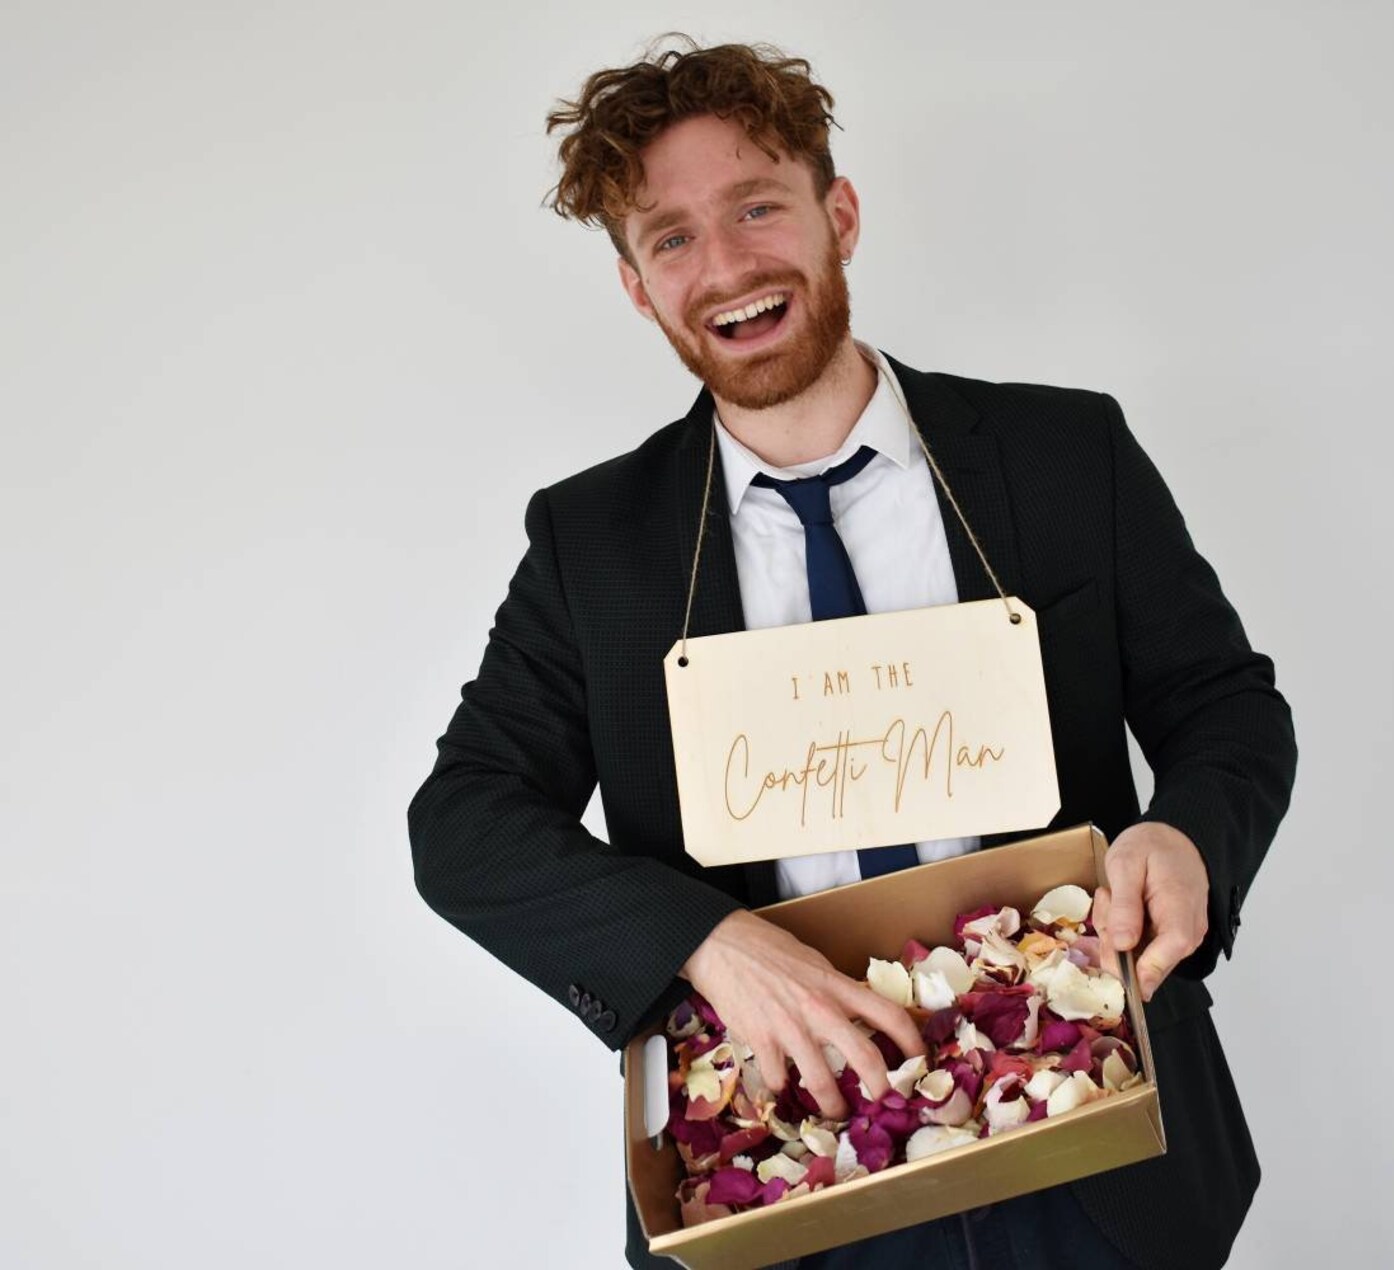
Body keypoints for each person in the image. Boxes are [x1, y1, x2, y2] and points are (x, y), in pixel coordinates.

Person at [408, 35, 1297, 1270]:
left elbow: (1225, 707)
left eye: (757, 207)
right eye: (670, 238)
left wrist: (1186, 834)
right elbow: (463, 822)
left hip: (1099, 1148)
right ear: (635, 287)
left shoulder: (1062, 454)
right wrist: (704, 944)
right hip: (785, 1185)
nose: (725, 265)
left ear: (840, 215)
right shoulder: (593, 544)